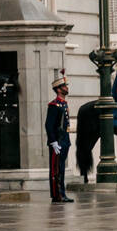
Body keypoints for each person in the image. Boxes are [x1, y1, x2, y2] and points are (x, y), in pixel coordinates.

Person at [45, 72, 73, 203]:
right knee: (56, 169)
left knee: (61, 168)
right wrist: (53, 142)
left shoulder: (63, 103)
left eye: (66, 85)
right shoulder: (54, 105)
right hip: (57, 141)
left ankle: (62, 193)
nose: (66, 88)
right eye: (64, 86)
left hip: (65, 140)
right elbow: (49, 125)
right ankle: (57, 195)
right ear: (58, 89)